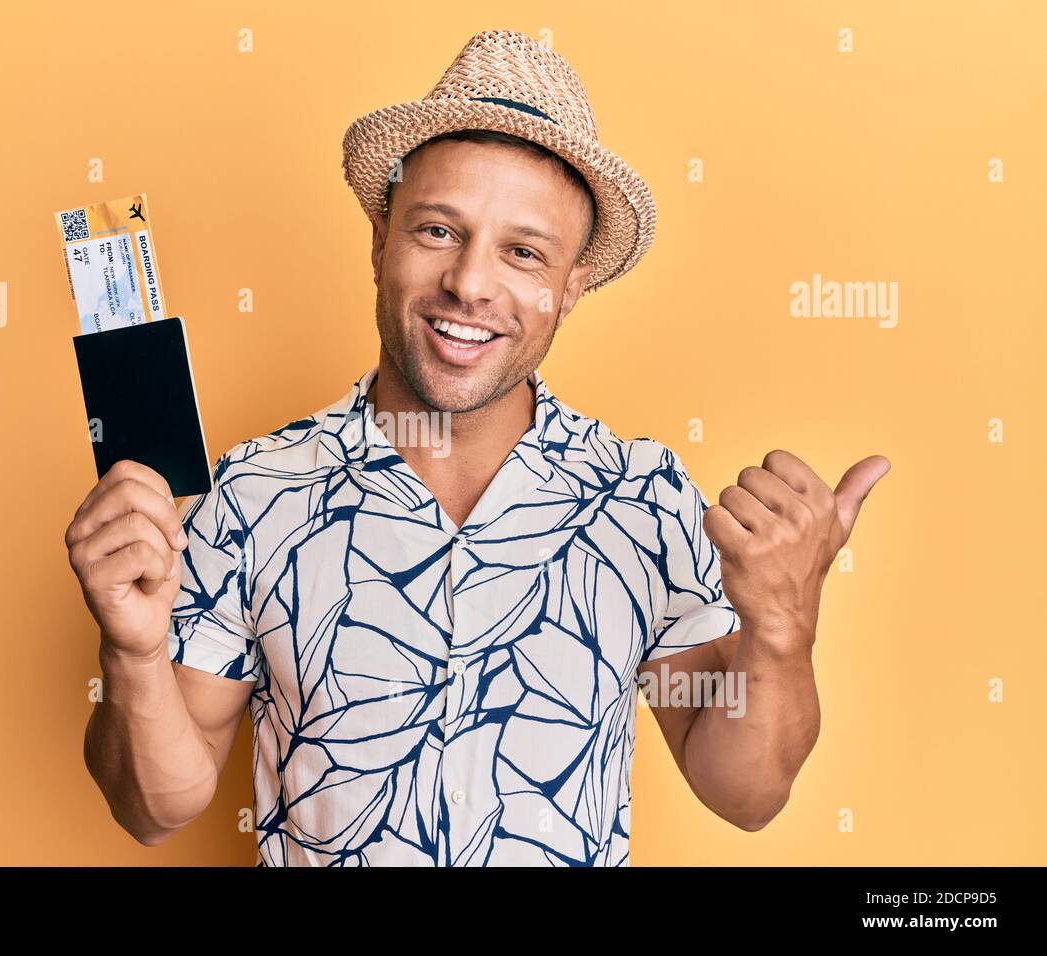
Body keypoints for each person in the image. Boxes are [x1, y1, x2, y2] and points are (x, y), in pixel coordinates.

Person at [65, 29, 890, 866]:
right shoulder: (255, 492)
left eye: (523, 252)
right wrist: (131, 650)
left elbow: (743, 794)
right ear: (380, 242)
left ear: (570, 287)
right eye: (437, 231)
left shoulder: (642, 497)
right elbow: (155, 809)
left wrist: (782, 629)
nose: (468, 283)